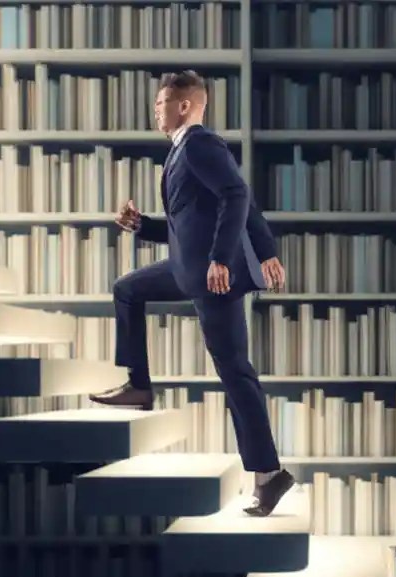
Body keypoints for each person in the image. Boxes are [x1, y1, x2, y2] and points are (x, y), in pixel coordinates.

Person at [88, 70, 295, 517]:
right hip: (189, 268)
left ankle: (268, 475)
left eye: (161, 102)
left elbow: (237, 195)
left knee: (235, 372)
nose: (155, 110)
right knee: (127, 289)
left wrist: (224, 258)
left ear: (184, 106)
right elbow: (189, 229)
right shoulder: (181, 152)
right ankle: (139, 386)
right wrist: (142, 225)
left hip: (212, 278)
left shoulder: (199, 144)